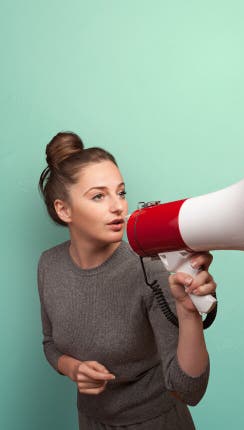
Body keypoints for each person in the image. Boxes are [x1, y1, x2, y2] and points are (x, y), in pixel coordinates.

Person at [36, 131, 217, 429]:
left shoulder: (148, 266)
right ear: (63, 209)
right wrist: (73, 368)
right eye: (98, 196)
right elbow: (50, 345)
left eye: (121, 192)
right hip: (91, 421)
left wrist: (188, 312)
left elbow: (189, 390)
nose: (118, 206)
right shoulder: (49, 265)